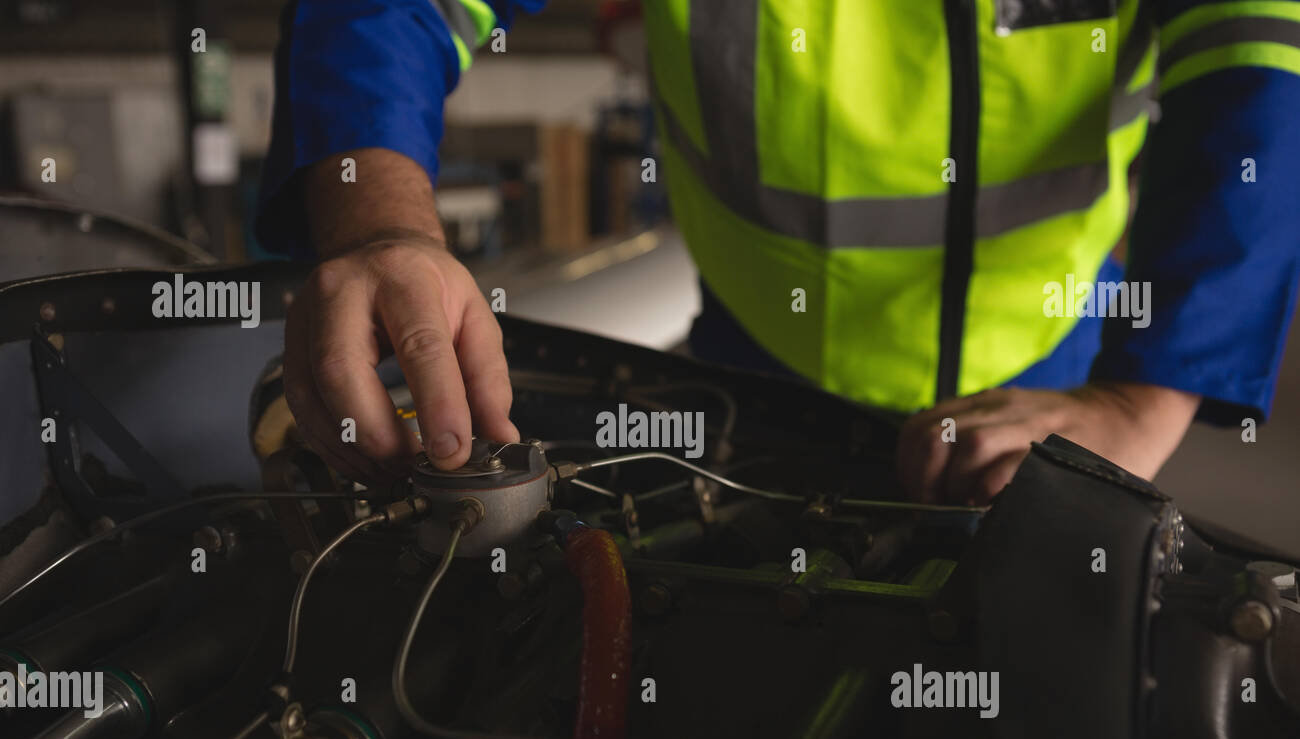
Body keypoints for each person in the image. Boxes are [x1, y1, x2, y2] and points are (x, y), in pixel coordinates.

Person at [256, 0, 1300, 504]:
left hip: (1050, 375)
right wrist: (380, 225)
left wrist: (1138, 403)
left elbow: (1262, 74)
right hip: (751, 375)